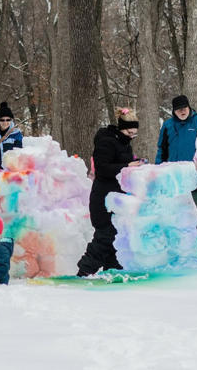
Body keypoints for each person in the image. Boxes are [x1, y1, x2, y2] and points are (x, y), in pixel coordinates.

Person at [76, 108, 144, 276]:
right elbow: (102, 168)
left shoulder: (124, 144)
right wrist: (127, 166)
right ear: (122, 128)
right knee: (105, 238)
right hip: (103, 200)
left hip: (118, 200)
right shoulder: (106, 141)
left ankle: (112, 272)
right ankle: (84, 271)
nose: (131, 137)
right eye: (129, 132)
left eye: (134, 134)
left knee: (117, 239)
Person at [155, 94, 197, 164]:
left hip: (195, 169)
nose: (182, 111)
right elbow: (162, 150)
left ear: (189, 107)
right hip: (173, 169)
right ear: (174, 111)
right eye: (179, 109)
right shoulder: (167, 125)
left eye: (184, 108)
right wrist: (158, 168)